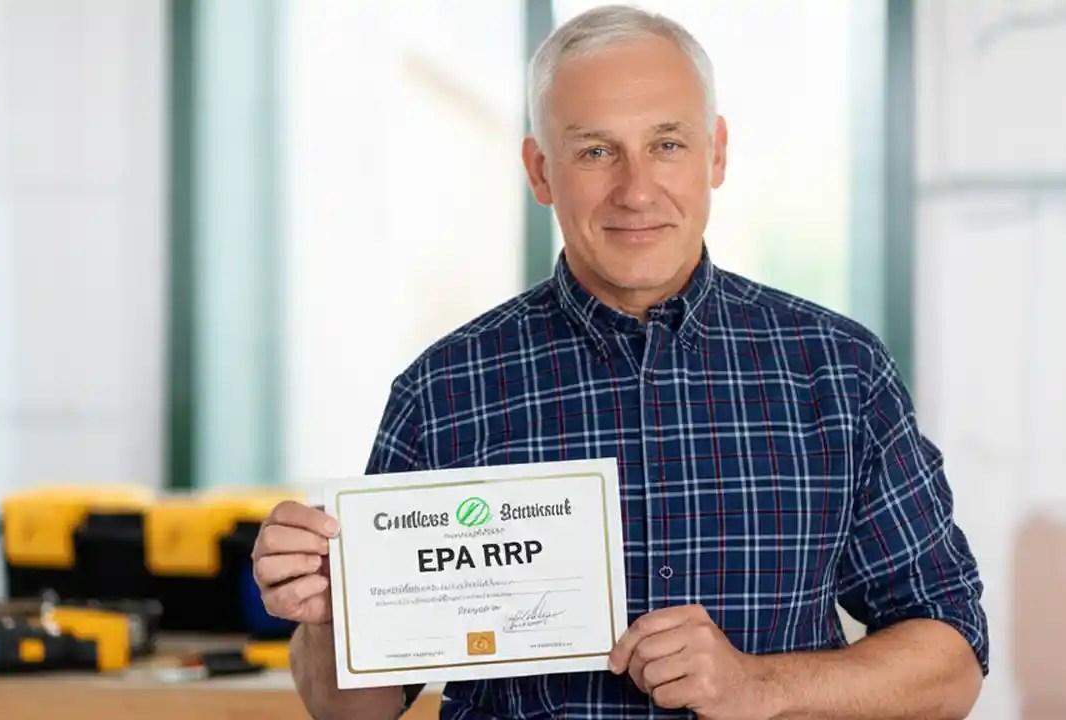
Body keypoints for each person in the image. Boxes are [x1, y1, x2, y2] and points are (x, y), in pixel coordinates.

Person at [252, 5, 988, 719]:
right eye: (596, 150)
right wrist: (325, 614)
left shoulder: (839, 371)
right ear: (541, 172)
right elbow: (350, 709)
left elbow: (951, 661)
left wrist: (759, 688)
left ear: (716, 153)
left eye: (667, 143)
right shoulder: (446, 390)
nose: (637, 191)